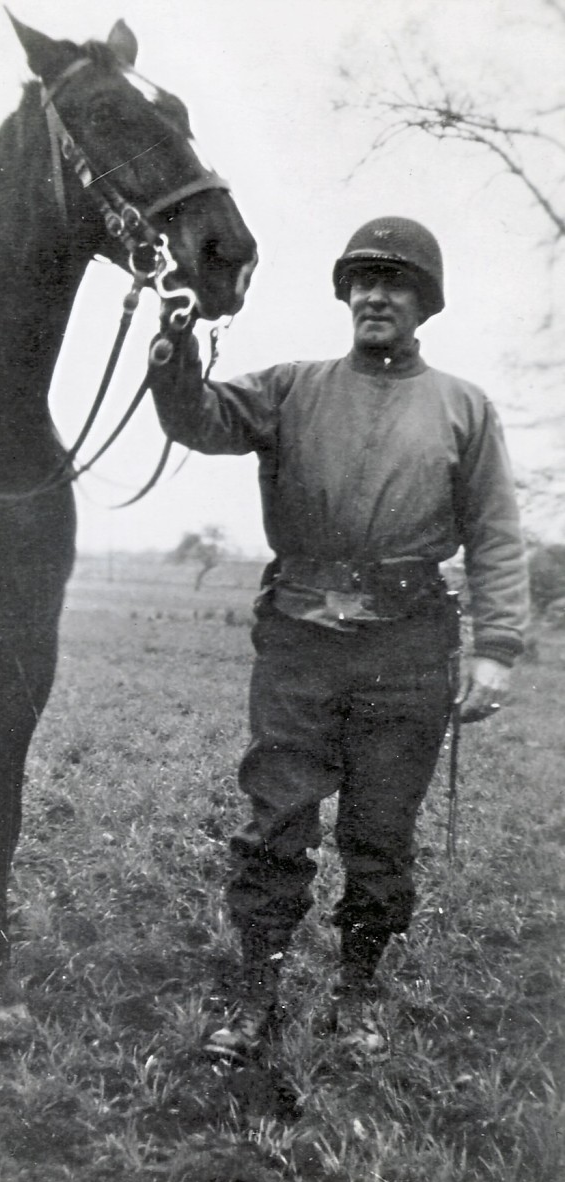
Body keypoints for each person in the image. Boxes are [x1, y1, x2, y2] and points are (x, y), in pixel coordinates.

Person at [148, 216, 529, 1064]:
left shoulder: (464, 407)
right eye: (362, 281)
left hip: (409, 648)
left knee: (381, 832)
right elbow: (199, 419)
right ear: (346, 295)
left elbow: (497, 535)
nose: (375, 296)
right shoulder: (290, 387)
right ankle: (255, 993)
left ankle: (357, 993)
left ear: (424, 304)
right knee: (277, 819)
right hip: (300, 641)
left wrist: (497, 647)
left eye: (394, 283)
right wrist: (174, 349)